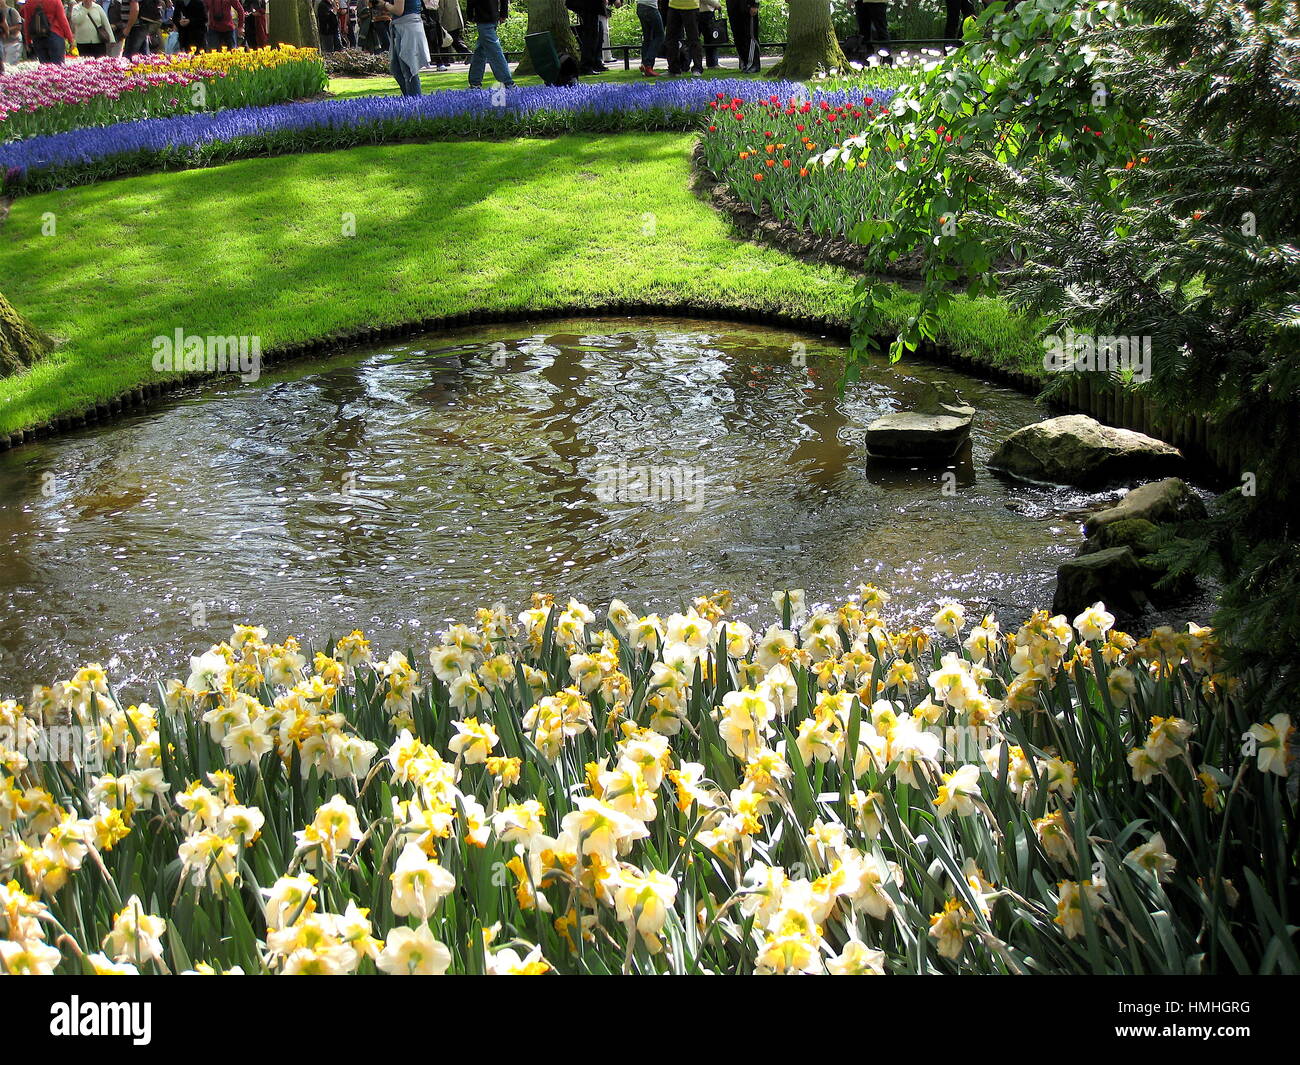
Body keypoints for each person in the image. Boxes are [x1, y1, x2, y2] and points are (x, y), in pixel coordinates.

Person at [378, 0, 428, 94]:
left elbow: (398, 10)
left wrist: (384, 4)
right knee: (396, 68)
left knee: (408, 69)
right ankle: (409, 100)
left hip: (408, 27)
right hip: (402, 26)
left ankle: (414, 102)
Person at [465, 0, 513, 89]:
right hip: (492, 16)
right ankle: (475, 82)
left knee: (494, 50)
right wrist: (503, 14)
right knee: (481, 49)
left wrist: (470, 15)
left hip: (483, 17)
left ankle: (508, 82)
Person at [663, 0, 701, 76]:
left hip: (691, 6)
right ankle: (673, 69)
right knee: (671, 39)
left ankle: (697, 68)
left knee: (693, 39)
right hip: (673, 6)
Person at [568, 0, 603, 75]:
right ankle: (586, 66)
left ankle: (590, 64)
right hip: (588, 6)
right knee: (591, 35)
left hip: (585, 6)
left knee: (591, 34)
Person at [724, 0, 757, 72]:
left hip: (747, 6)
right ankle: (744, 62)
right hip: (733, 7)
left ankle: (753, 64)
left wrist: (754, 5)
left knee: (750, 36)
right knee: (737, 36)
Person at [633, 0, 661, 76]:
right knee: (660, 36)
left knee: (647, 38)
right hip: (650, 7)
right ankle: (647, 64)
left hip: (641, 6)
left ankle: (644, 65)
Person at [1, 0, 25, 70]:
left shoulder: (12, 11)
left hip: (13, 43)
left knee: (11, 67)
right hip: (2, 43)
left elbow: (18, 26)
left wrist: (6, 29)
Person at [698, 0, 720, 68]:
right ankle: (712, 63)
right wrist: (716, 4)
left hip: (704, 11)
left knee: (710, 39)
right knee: (710, 39)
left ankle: (712, 63)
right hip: (704, 12)